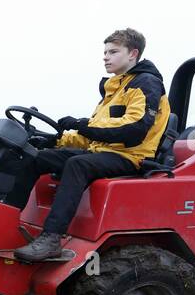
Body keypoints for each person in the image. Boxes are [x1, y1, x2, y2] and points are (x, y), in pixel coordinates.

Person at [10, 28, 171, 261]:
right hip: (103, 151)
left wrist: (81, 124)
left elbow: (134, 129)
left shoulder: (146, 83)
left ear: (133, 54)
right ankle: (8, 222)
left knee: (78, 164)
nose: (105, 57)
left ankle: (52, 238)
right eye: (105, 52)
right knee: (37, 157)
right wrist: (55, 140)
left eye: (113, 51)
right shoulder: (115, 89)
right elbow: (96, 134)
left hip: (130, 155)